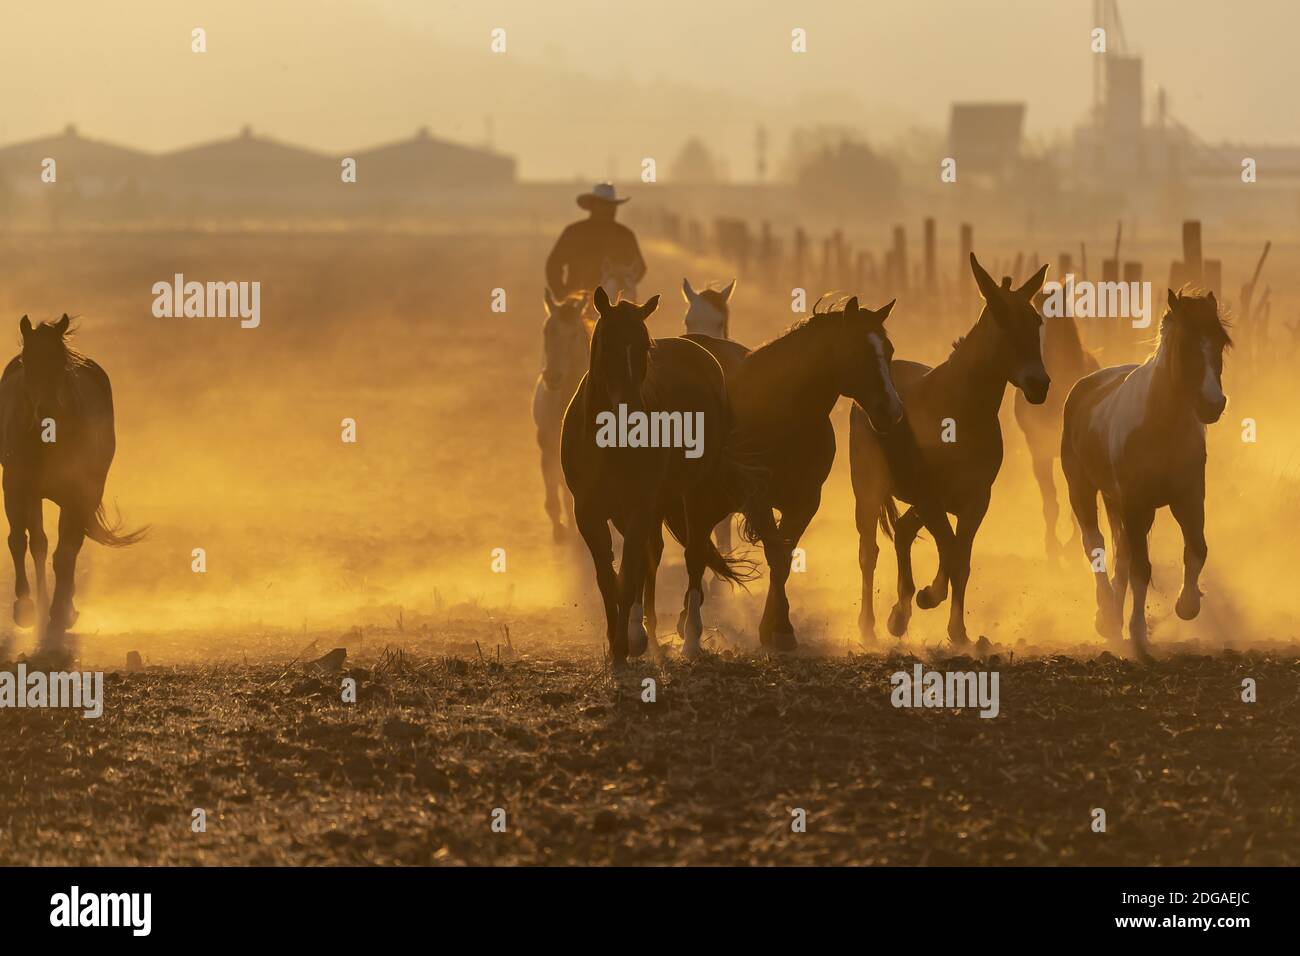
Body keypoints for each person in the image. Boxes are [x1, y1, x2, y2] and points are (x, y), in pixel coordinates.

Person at [545, 182, 647, 301]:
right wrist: (560, 292)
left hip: (610, 303)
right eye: (605, 204)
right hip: (579, 302)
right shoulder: (574, 232)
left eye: (612, 205)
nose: (610, 209)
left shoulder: (624, 235)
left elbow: (639, 268)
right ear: (593, 205)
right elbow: (554, 264)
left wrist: (622, 288)